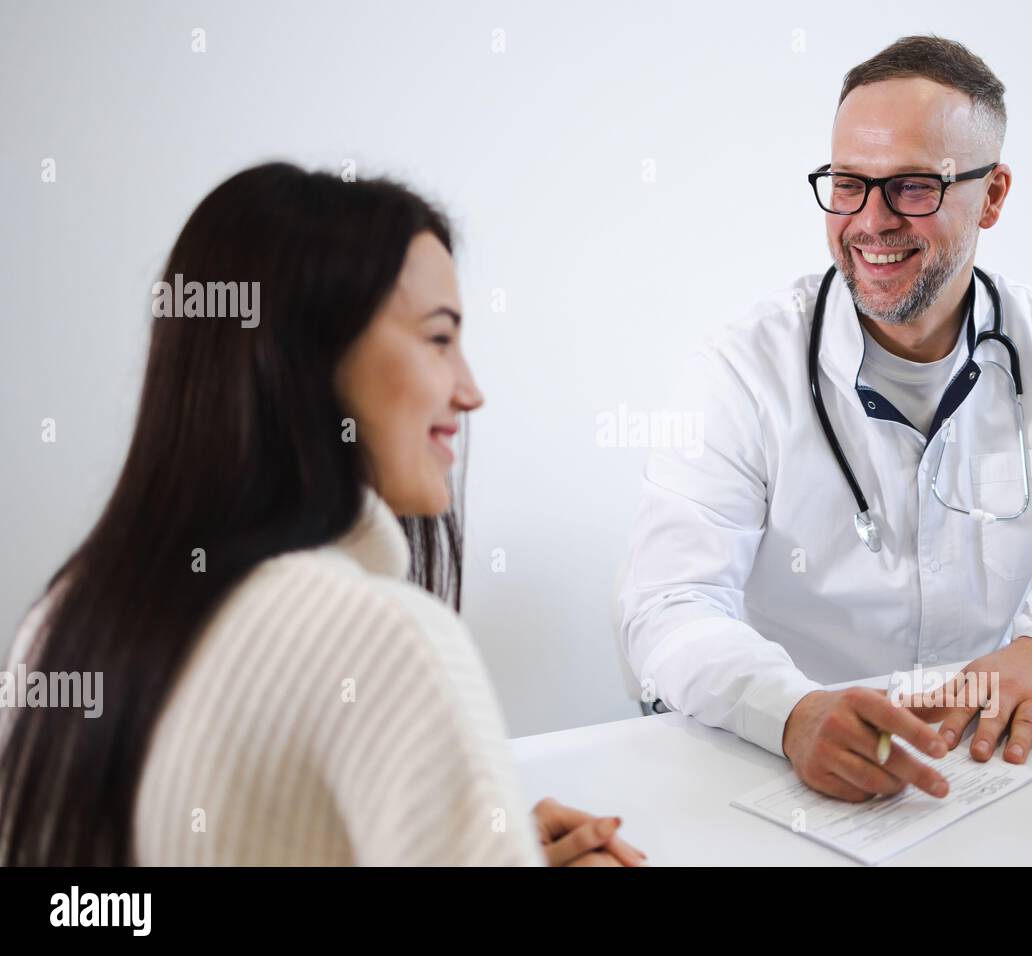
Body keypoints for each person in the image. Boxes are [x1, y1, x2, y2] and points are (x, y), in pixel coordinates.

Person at [619, 35, 1032, 802]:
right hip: (772, 763)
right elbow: (669, 605)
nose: (869, 222)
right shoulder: (740, 369)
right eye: (847, 183)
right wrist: (792, 712)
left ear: (993, 195)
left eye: (911, 187)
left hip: (978, 758)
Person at [0, 162, 644, 866]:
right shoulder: (385, 639)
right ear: (309, 357)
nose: (471, 390)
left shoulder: (64, 617)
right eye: (438, 338)